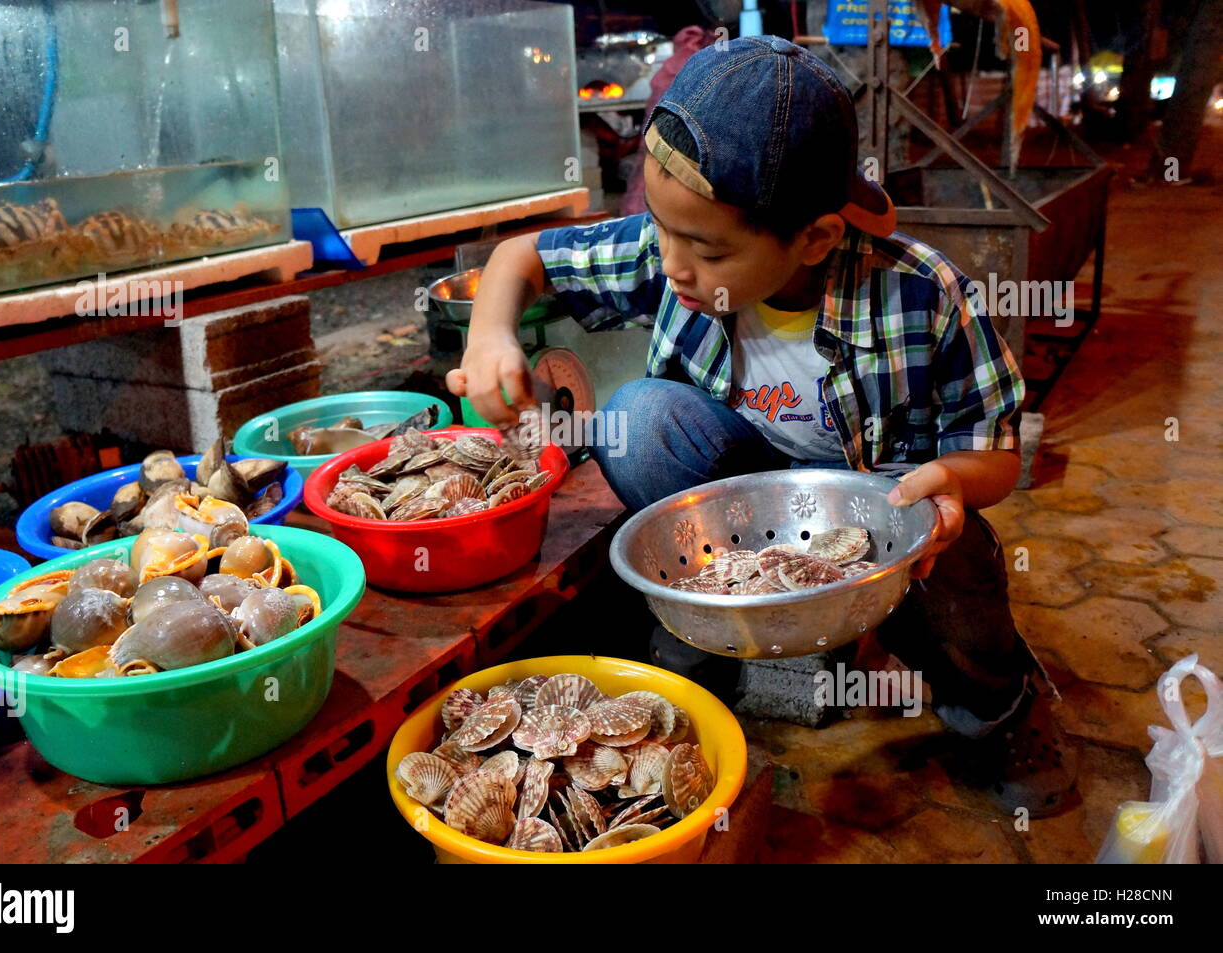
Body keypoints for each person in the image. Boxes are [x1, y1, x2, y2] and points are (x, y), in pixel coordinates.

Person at [447, 36, 1075, 817]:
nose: (671, 265)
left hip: (881, 520)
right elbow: (519, 258)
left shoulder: (920, 294)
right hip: (736, 519)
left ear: (814, 237)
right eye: (663, 230)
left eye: (704, 248)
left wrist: (949, 483)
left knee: (962, 569)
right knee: (641, 420)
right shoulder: (671, 252)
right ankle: (719, 629)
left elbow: (994, 454)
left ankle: (1000, 714)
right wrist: (491, 336)